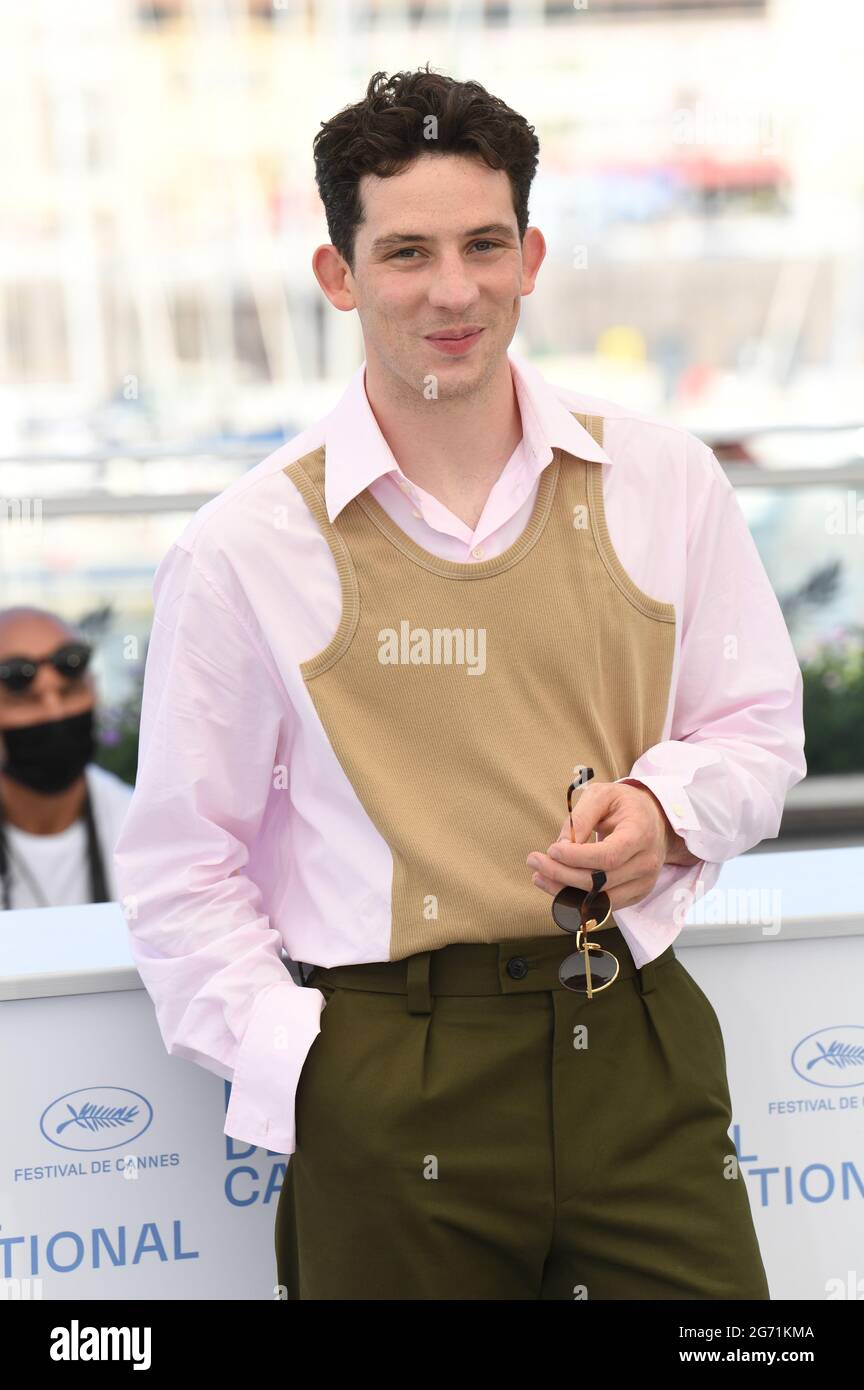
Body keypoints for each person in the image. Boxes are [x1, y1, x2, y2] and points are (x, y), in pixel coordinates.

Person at [113, 66, 806, 1300]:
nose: (454, 289)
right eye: (408, 252)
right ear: (339, 276)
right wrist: (310, 1068)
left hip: (632, 1045)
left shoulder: (664, 478)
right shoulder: (242, 547)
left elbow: (756, 725)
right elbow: (182, 863)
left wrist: (665, 811)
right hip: (389, 1068)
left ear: (532, 254)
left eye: (486, 244)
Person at [0, 606, 132, 910]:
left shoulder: (141, 833)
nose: (54, 712)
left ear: (94, 692)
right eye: (28, 700)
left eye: (69, 692)